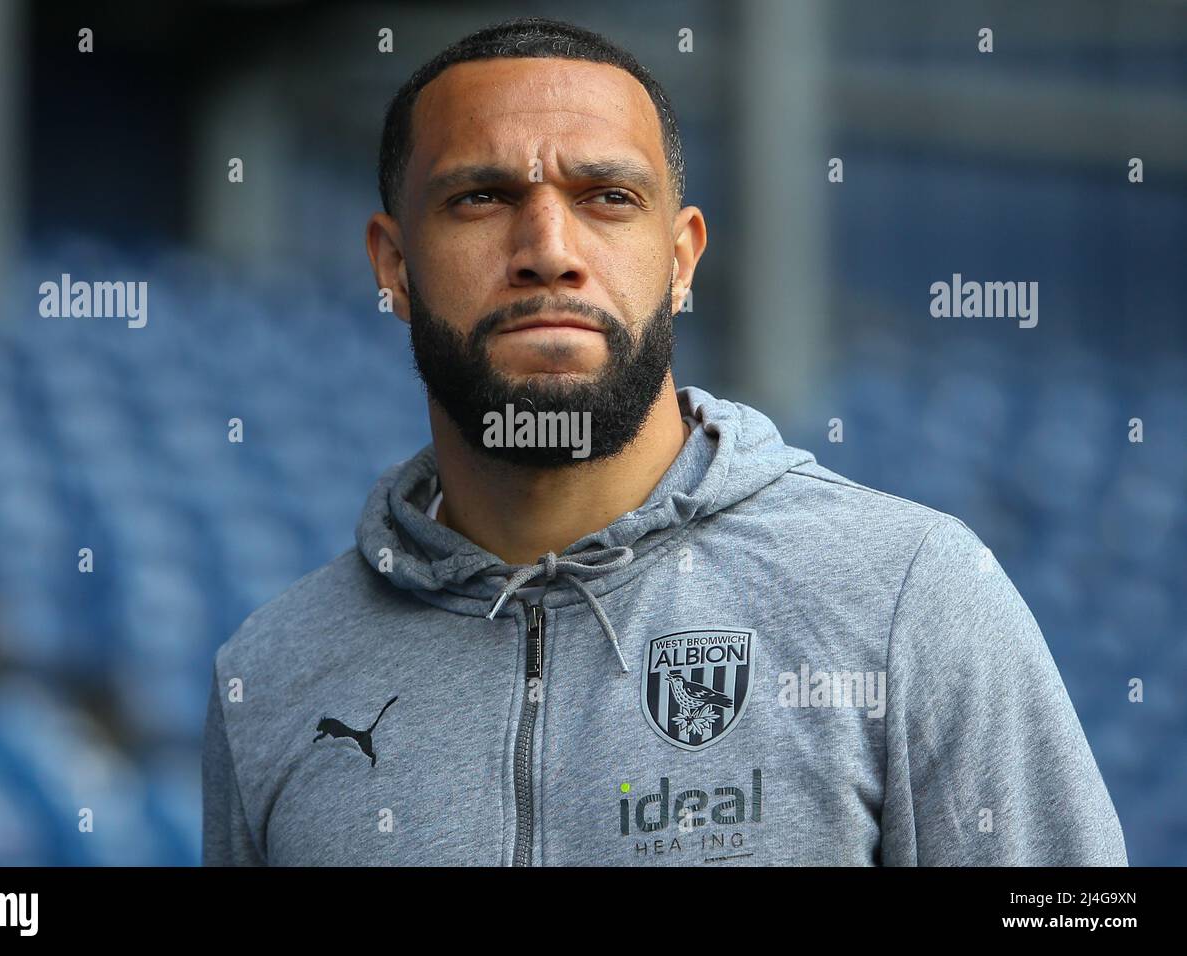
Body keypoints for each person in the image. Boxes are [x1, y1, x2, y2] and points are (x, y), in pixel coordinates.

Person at [202, 16, 1127, 866]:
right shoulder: (272, 674)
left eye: (607, 196)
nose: (548, 248)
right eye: (481, 198)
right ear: (394, 266)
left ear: (681, 259)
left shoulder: (908, 597)